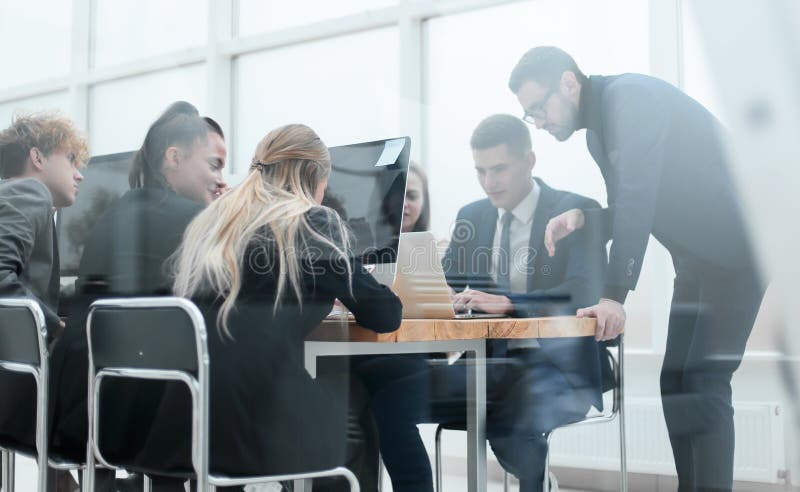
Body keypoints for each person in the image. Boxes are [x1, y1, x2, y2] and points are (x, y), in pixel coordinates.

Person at [509, 46, 766, 491]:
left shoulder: (629, 100)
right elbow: (633, 206)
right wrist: (587, 220)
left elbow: (639, 198)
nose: (539, 122)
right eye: (529, 115)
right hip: (697, 259)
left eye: (538, 108)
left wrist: (614, 295)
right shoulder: (597, 132)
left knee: (705, 378)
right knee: (676, 381)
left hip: (742, 252)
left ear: (568, 83)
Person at [120, 123, 402, 491]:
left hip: (180, 407)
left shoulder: (213, 221)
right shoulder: (312, 221)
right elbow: (385, 314)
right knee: (356, 410)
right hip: (255, 416)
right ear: (314, 177)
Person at [364, 114, 609, 492]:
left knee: (511, 417)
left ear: (529, 161)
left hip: (556, 369)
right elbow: (445, 284)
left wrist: (508, 302)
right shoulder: (473, 216)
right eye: (480, 171)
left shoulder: (573, 210)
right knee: (389, 399)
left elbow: (583, 291)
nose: (489, 182)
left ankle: (535, 481)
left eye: (499, 169)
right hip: (489, 366)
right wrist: (439, 296)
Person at [48, 101, 227, 490]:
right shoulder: (194, 221)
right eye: (213, 165)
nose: (220, 179)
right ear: (174, 159)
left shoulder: (114, 214)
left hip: (84, 405)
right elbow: (229, 301)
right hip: (145, 418)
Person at [0, 111, 88, 492]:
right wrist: (53, 325)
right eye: (71, 160)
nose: (80, 174)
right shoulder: (28, 192)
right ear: (37, 158)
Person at [401, 162, 430, 233]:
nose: (404, 204)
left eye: (412, 196)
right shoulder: (371, 242)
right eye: (398, 196)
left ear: (424, 201)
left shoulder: (437, 243)